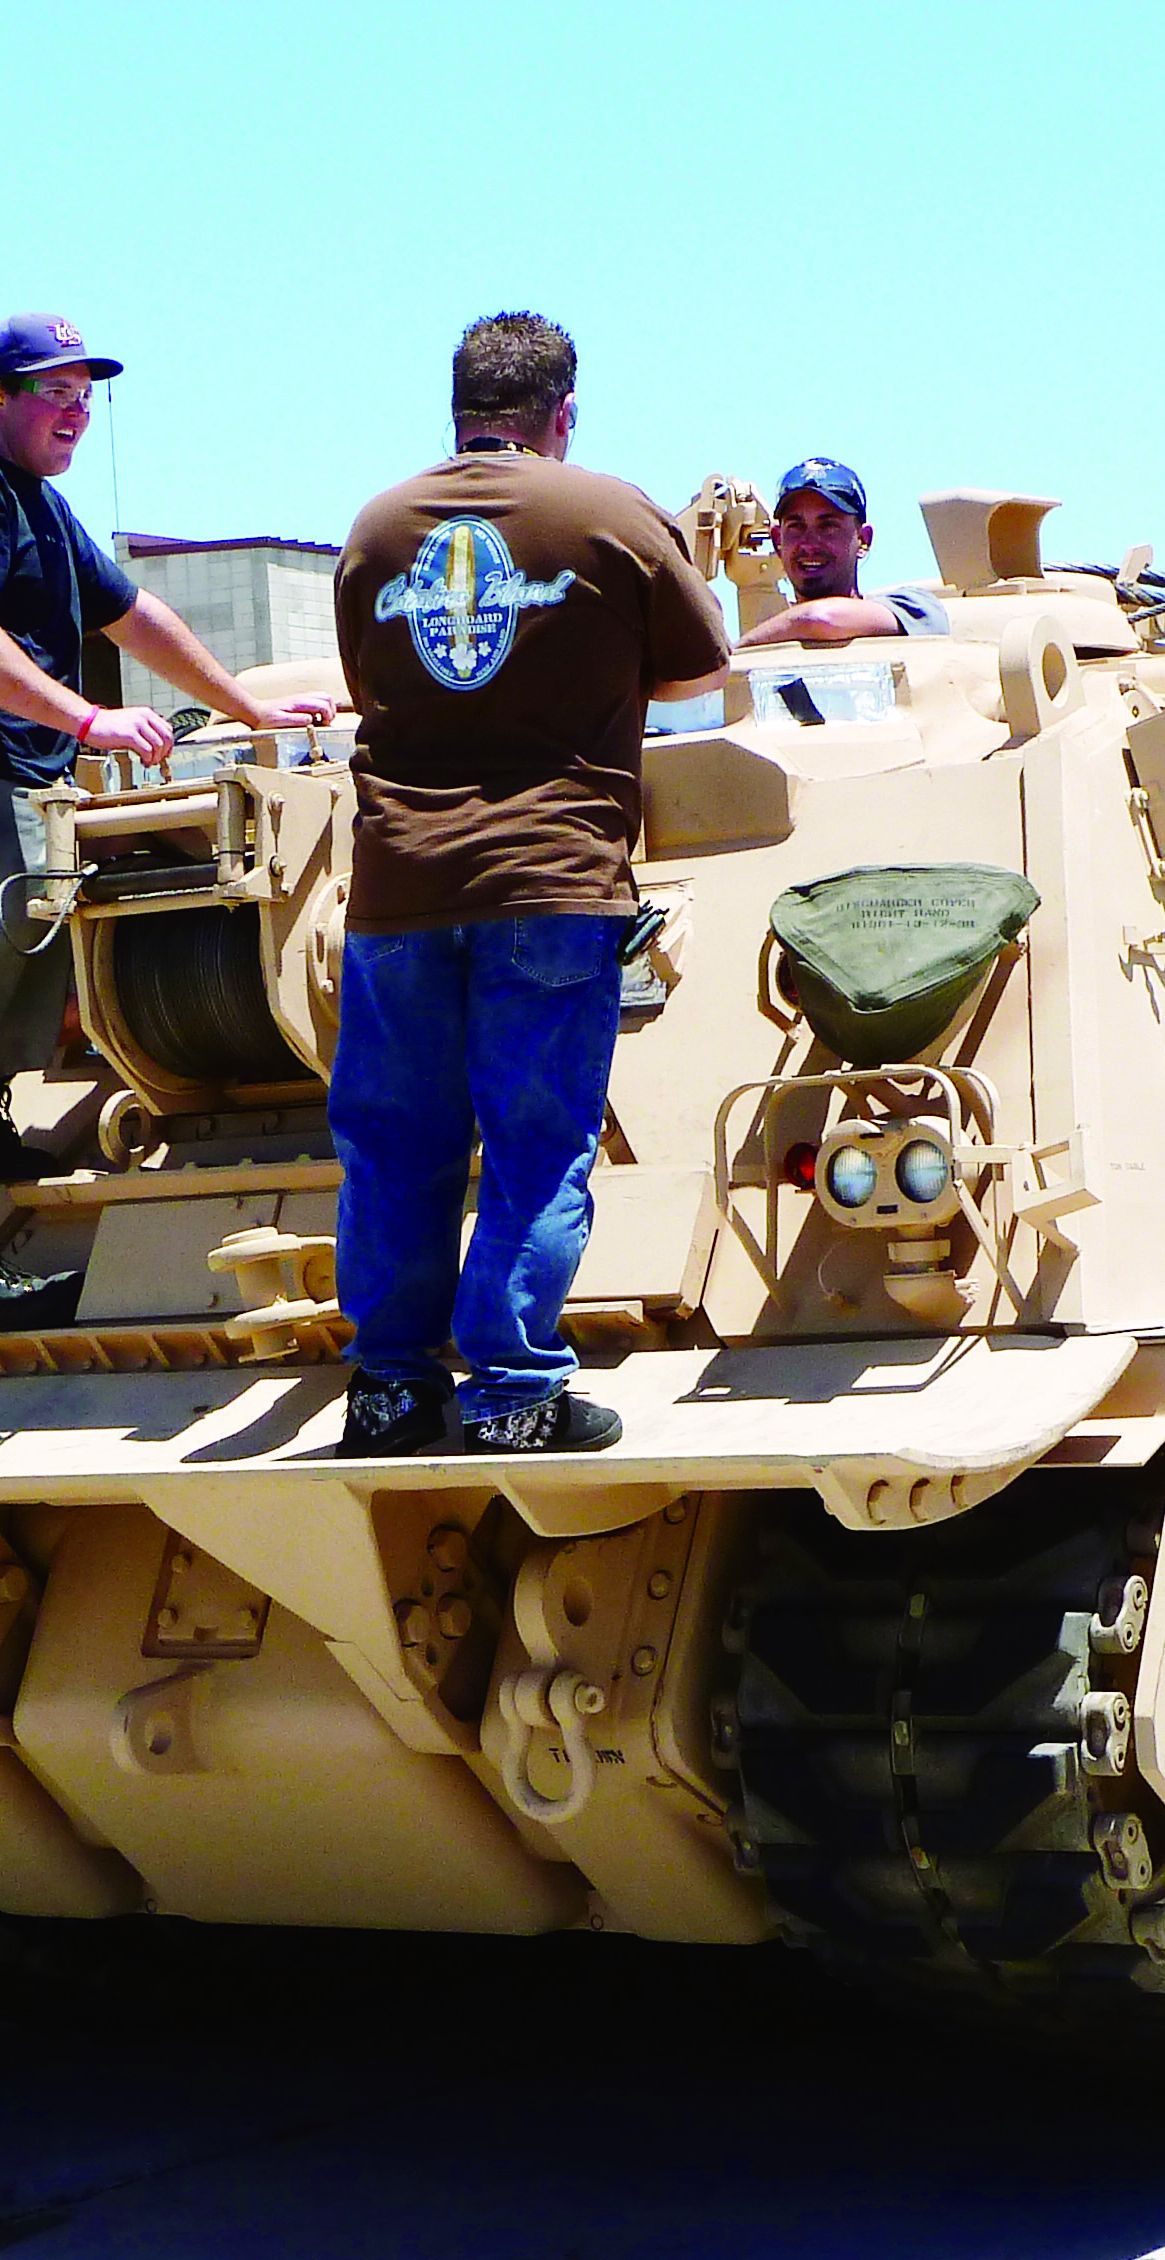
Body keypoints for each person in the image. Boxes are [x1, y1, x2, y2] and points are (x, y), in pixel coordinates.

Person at [0, 312, 338, 1346]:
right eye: (54, 390)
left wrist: (244, 705)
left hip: (16, 791)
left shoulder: (37, 504)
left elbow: (131, 616)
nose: (77, 409)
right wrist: (84, 718)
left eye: (88, 393)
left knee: (38, 954)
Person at [329, 312, 731, 1455]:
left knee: (392, 1142)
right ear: (562, 414)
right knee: (534, 1141)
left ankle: (389, 1390)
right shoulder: (608, 510)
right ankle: (510, 1392)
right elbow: (705, 664)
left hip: (396, 885)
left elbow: (372, 678)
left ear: (458, 408)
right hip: (553, 878)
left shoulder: (376, 527)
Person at [732, 457, 945, 651]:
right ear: (778, 541)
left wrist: (738, 651)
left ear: (863, 539)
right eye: (796, 527)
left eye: (828, 526)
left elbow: (819, 619)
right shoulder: (775, 641)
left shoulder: (913, 608)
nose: (809, 543)